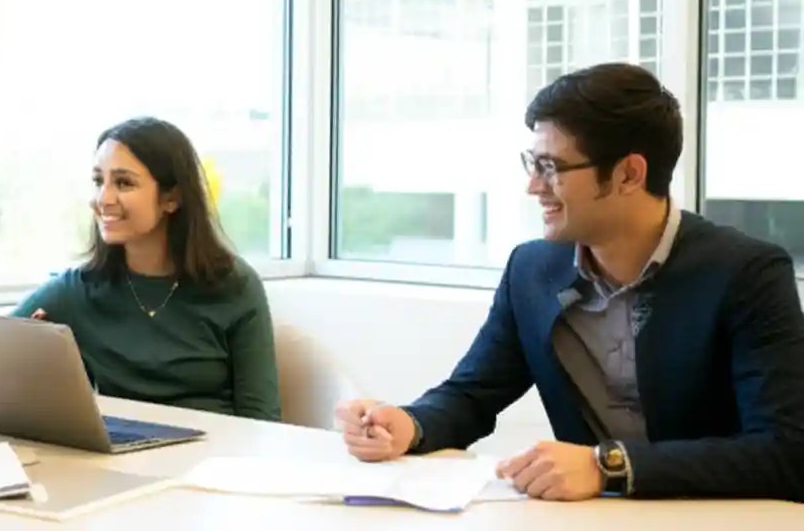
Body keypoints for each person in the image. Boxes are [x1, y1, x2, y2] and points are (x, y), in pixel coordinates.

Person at [335, 62, 804, 502]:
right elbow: (472, 395)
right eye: (532, 163)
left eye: (552, 168)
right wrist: (409, 424)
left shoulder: (746, 273)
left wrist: (610, 467)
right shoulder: (532, 270)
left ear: (628, 174)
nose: (533, 186)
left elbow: (786, 451)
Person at [11, 116, 280, 421]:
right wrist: (27, 353)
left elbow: (263, 420)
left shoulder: (235, 286)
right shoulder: (78, 289)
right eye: (99, 181)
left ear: (172, 198)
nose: (103, 199)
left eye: (123, 183)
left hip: (217, 459)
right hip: (120, 460)